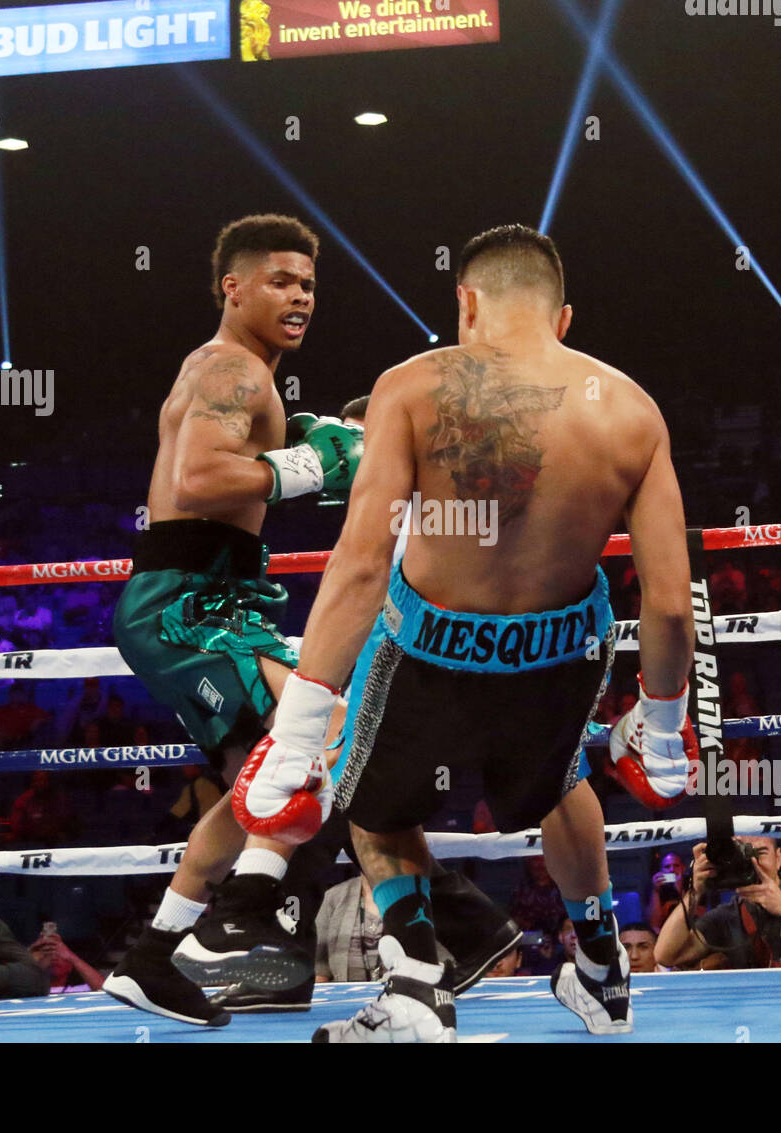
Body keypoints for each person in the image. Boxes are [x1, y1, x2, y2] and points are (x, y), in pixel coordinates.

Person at [233, 224, 697, 1041]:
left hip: (431, 650)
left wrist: (299, 729)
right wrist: (660, 729)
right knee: (558, 782)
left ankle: (415, 986)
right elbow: (665, 602)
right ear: (563, 318)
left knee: (370, 800)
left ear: (466, 301)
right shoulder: (630, 408)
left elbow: (361, 563)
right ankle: (602, 970)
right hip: (561, 652)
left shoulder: (411, 387)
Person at [103, 214, 514, 1026]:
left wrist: (331, 459)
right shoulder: (235, 370)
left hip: (209, 599)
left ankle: (157, 954)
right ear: (234, 286)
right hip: (189, 606)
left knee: (278, 769)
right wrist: (321, 460)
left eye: (309, 284)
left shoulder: (242, 375)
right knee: (319, 740)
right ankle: (383, 924)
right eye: (281, 281)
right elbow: (200, 476)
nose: (300, 297)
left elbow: (246, 476)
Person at [656, 837, 781, 970]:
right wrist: (695, 891)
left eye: (760, 853)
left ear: (778, 858)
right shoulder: (726, 916)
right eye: (742, 856)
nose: (751, 863)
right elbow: (665, 955)